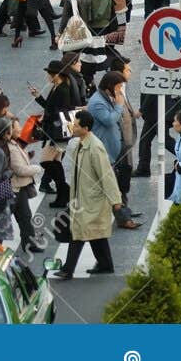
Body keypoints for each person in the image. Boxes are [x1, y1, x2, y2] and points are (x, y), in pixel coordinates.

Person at [50, 109, 123, 280]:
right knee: (95, 234)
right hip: (82, 198)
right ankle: (106, 265)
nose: (73, 127)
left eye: (76, 126)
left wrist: (116, 201)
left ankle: (68, 269)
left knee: (80, 233)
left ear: (86, 128)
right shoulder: (80, 144)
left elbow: (106, 175)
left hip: (91, 200)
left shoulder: (95, 147)